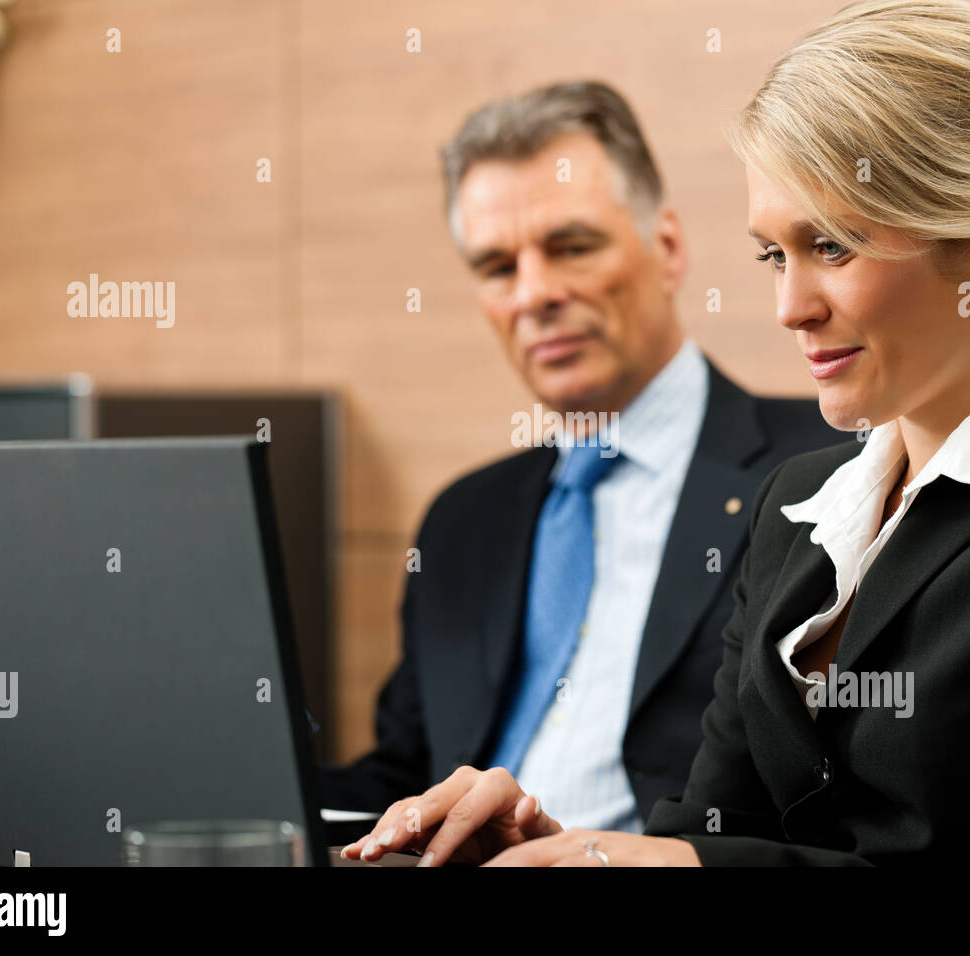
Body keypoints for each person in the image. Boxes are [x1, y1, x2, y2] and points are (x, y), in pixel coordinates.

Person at [341, 0, 970, 866]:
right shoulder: (799, 503)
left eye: (832, 246)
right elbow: (712, 838)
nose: (789, 307)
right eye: (773, 255)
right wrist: (577, 854)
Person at [319, 81, 841, 834]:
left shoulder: (823, 472)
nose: (535, 293)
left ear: (666, 249)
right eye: (498, 268)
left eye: (572, 247)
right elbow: (408, 772)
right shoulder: (463, 519)